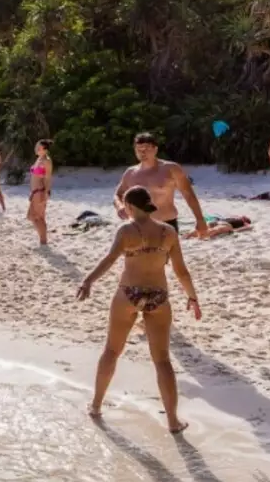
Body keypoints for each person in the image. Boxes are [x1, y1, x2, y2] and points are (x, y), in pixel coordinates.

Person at [78, 186, 201, 434]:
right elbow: (181, 271)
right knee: (163, 360)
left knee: (112, 351)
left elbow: (110, 259)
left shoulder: (126, 231)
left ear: (131, 207)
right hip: (158, 296)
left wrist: (88, 281)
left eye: (124, 206)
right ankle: (173, 422)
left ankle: (96, 406)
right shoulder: (169, 232)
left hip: (128, 294)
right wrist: (193, 298)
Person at [114, 132, 208, 238]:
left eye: (146, 149)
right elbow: (118, 194)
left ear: (155, 149)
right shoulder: (130, 173)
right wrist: (120, 207)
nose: (142, 153)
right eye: (139, 149)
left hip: (166, 224)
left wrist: (200, 219)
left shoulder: (171, 169)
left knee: (167, 254)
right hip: (138, 225)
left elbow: (188, 194)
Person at [28, 139, 53, 245]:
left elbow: (47, 178)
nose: (36, 149)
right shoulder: (39, 159)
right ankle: (43, 240)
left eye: (39, 147)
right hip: (35, 191)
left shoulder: (46, 161)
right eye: (36, 147)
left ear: (45, 149)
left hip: (40, 191)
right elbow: (35, 176)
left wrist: (46, 193)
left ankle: (43, 240)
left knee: (36, 217)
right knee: (34, 216)